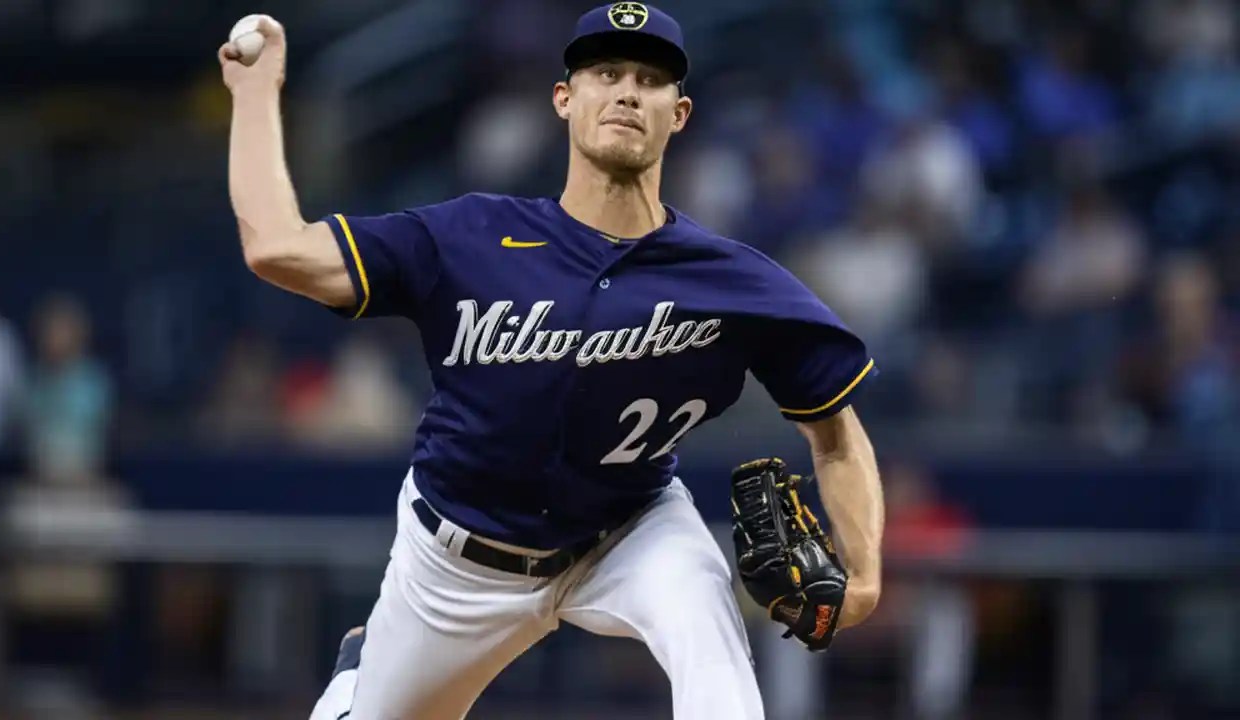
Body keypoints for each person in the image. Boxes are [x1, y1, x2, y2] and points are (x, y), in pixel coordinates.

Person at [218, 4, 884, 718]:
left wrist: (866, 579)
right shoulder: (467, 237)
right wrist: (255, 95)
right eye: (606, 72)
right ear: (564, 99)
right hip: (455, 564)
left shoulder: (733, 282)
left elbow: (835, 429)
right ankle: (360, 675)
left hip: (632, 530)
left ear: (680, 113)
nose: (627, 91)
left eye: (650, 79)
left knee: (711, 640)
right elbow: (276, 248)